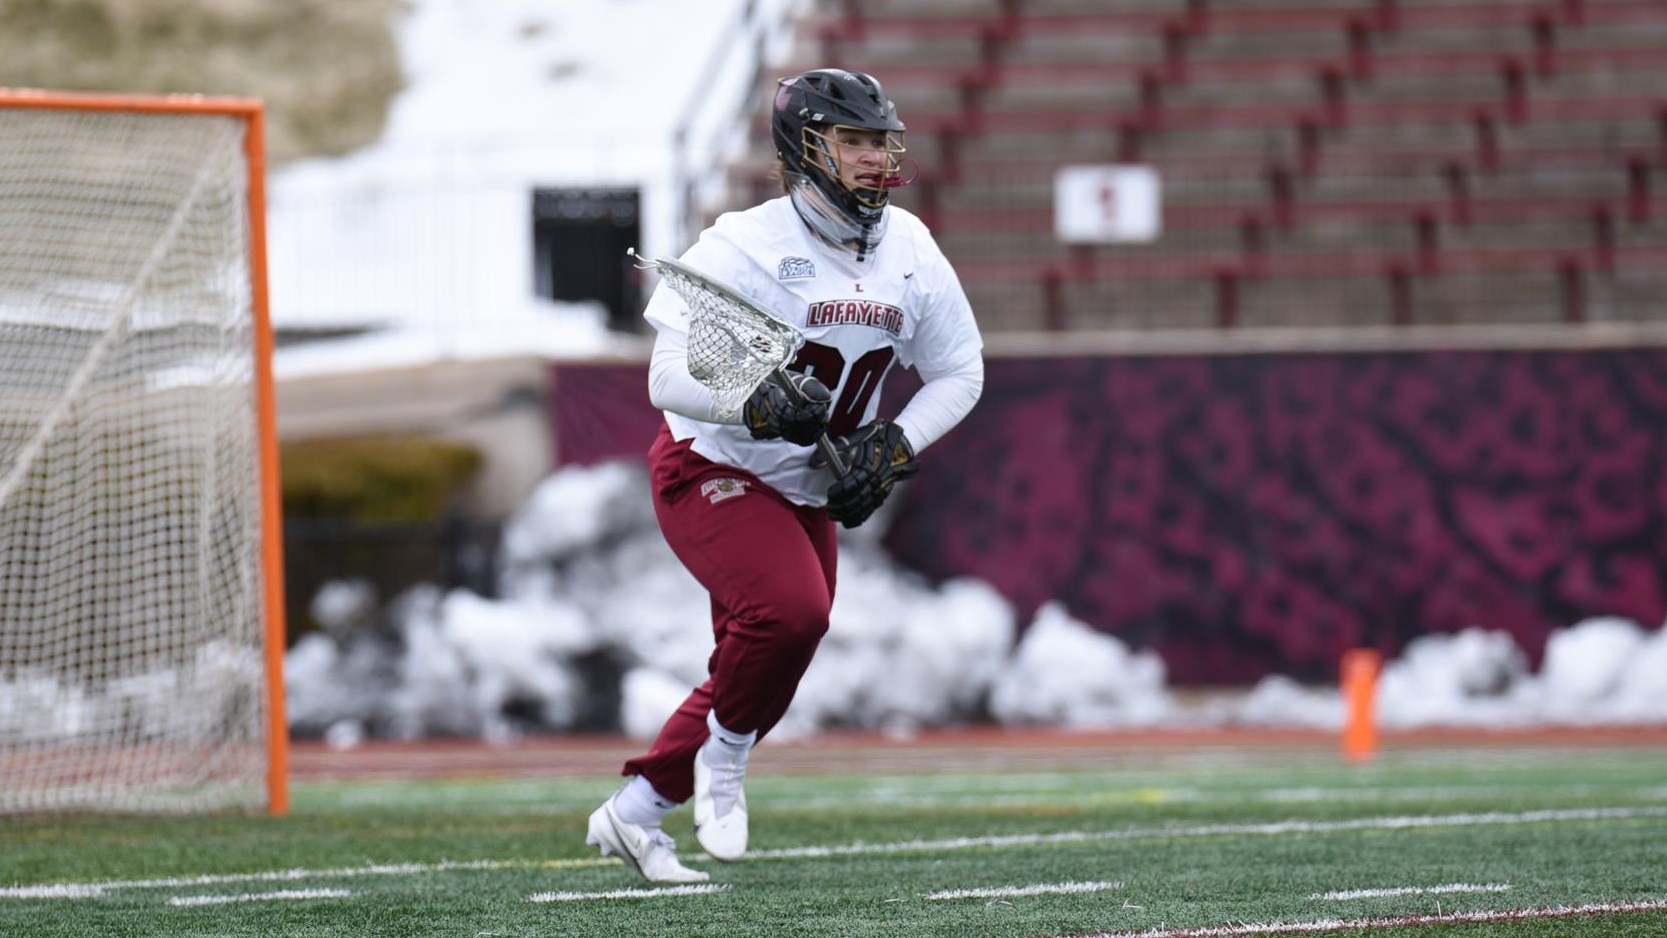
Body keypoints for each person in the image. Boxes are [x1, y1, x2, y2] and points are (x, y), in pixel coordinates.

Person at [585, 68, 985, 883]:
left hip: (809, 480)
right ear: (805, 149)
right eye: (854, 141)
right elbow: (666, 378)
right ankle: (723, 769)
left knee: (761, 659)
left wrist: (894, 443)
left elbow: (960, 371)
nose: (875, 159)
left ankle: (634, 814)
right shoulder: (744, 245)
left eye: (881, 141)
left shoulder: (908, 247)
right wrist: (754, 400)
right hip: (714, 464)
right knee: (790, 616)